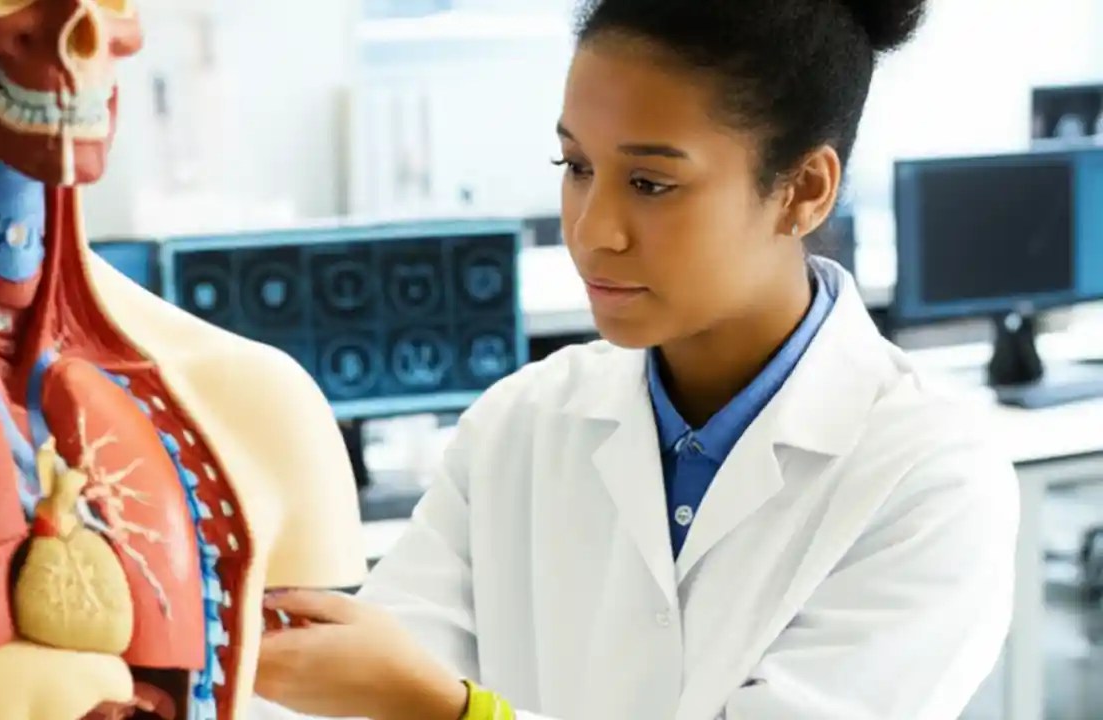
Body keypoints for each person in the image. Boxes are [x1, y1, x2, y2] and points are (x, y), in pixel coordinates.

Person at [251, 0, 1019, 717]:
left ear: (804, 191)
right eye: (576, 168)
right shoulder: (520, 423)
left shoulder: (931, 477)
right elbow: (374, 668)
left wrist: (445, 708)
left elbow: (410, 690)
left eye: (651, 183)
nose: (591, 231)